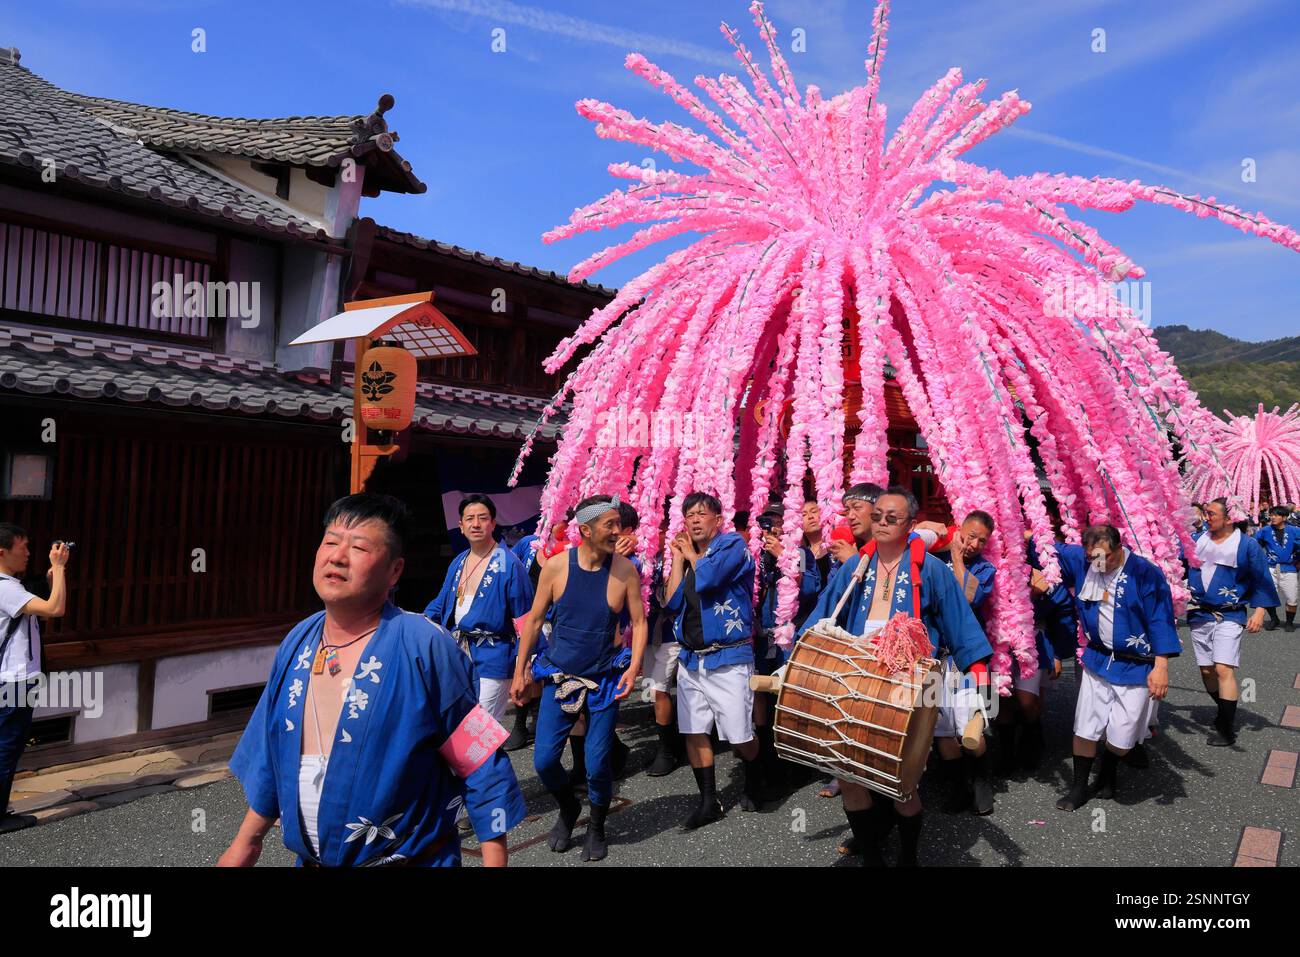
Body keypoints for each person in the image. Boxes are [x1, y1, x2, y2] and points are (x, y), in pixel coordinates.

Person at [221, 494, 525, 867]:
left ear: (394, 571)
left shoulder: (424, 644)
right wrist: (246, 842)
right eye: (331, 542)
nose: (337, 556)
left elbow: (477, 758)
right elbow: (275, 751)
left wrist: (495, 858)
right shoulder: (298, 641)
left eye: (359, 546)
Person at [803, 487, 991, 866]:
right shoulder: (855, 566)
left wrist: (979, 694)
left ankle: (907, 856)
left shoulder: (932, 569)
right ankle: (872, 854)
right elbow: (822, 617)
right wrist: (795, 662)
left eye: (893, 518)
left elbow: (963, 630)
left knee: (901, 783)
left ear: (910, 524)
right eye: (878, 517)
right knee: (852, 775)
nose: (883, 523)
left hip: (909, 686)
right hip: (855, 682)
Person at [511, 494, 646, 862]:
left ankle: (597, 825)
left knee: (599, 762)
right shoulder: (556, 567)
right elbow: (535, 621)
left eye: (620, 524)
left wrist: (633, 668)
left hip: (605, 680)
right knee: (543, 762)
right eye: (610, 525)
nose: (617, 531)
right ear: (585, 530)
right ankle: (569, 808)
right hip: (560, 676)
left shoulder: (625, 570)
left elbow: (639, 622)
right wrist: (521, 670)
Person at [1032, 524, 1178, 811]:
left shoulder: (1146, 573)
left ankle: (1108, 770)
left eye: (1105, 557)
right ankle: (1078, 788)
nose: (1098, 563)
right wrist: (1024, 532)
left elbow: (1161, 619)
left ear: (1119, 547)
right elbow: (1046, 545)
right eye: (1092, 557)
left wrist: (1161, 666)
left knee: (1122, 739)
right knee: (1085, 727)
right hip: (1097, 660)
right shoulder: (1085, 560)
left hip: (1136, 665)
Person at [664, 492, 761, 829]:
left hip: (728, 656)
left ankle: (756, 775)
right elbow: (672, 602)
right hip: (691, 660)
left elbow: (709, 578)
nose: (694, 520)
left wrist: (690, 554)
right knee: (693, 731)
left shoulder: (732, 545)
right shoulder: (688, 556)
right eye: (689, 514)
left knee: (739, 737)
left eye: (702, 514)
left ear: (718, 520)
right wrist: (677, 561)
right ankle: (708, 801)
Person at [424, 495, 534, 724]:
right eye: (470, 519)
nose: (476, 524)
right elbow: (441, 603)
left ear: (493, 523)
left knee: (479, 730)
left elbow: (526, 621)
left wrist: (523, 670)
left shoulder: (509, 564)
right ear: (461, 526)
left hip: (494, 655)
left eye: (482, 518)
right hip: (458, 653)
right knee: (455, 725)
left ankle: (490, 761)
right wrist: (414, 623)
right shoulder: (459, 561)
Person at [1188, 498, 1279, 745]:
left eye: (1211, 514)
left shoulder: (1247, 545)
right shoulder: (1196, 540)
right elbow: (1175, 562)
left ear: (1229, 518)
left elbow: (1262, 579)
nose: (1206, 518)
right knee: (1206, 670)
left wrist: (1259, 612)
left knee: (1222, 668)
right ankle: (1224, 709)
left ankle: (1226, 727)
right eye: (1205, 513)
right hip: (1199, 612)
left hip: (1229, 612)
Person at [926, 510, 998, 814]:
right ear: (959, 529)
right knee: (940, 727)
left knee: (970, 724)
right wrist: (933, 528)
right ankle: (957, 786)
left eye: (982, 540)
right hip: (931, 654)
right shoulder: (931, 556)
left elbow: (967, 598)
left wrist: (956, 557)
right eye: (970, 535)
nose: (974, 544)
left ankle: (981, 780)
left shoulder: (985, 569)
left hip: (965, 658)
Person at [0, 525, 69, 827]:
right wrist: (58, 567)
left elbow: (41, 607)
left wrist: (55, 575)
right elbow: (54, 608)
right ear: (2, 552)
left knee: (9, 744)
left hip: (15, 678)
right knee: (7, 745)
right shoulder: (5, 588)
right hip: (13, 680)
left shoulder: (11, 586)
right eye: (23, 547)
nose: (28, 553)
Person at [753, 503, 822, 786]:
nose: (774, 528)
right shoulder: (757, 553)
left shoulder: (802, 554)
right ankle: (766, 760)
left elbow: (810, 589)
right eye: (768, 522)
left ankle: (797, 764)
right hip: (762, 636)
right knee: (762, 698)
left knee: (789, 699)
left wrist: (783, 557)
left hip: (790, 638)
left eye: (778, 521)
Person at [1255, 506, 1300, 632]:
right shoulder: (1265, 530)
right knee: (1269, 595)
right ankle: (1274, 619)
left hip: (1289, 568)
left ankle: (1289, 622)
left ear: (1284, 517)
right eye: (1271, 515)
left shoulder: (1295, 530)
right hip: (1271, 567)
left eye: (1276, 515)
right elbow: (1255, 544)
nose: (1272, 517)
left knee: (1292, 598)